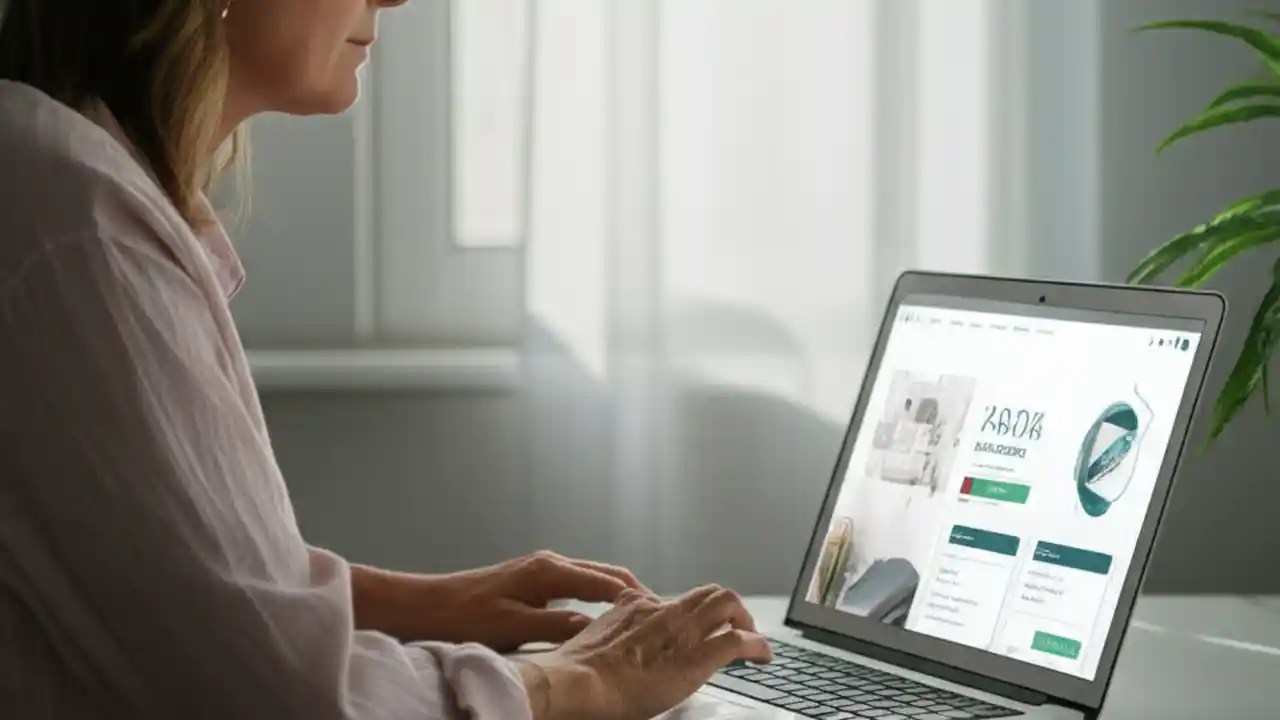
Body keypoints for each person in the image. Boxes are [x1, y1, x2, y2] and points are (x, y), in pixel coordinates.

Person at [0, 1, 772, 718]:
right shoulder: (77, 225)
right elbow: (281, 697)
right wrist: (576, 680)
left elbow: (157, 587)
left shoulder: (59, 178)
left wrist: (417, 606)